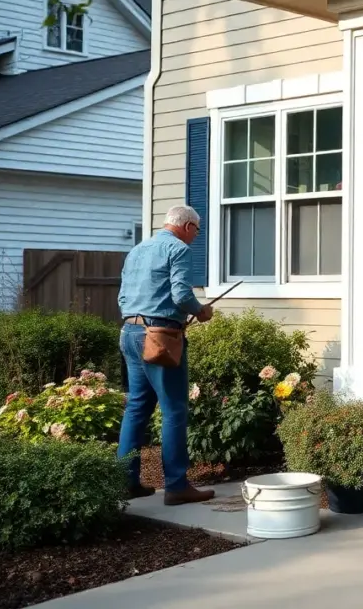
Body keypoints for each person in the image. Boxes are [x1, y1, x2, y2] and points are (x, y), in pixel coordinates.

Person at [116, 205, 216, 506]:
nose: (195, 237)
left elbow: (122, 296)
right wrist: (200, 311)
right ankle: (176, 486)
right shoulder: (179, 250)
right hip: (159, 337)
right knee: (173, 410)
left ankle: (126, 482)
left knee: (136, 408)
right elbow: (181, 295)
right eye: (196, 230)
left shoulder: (137, 250)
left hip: (129, 332)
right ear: (186, 226)